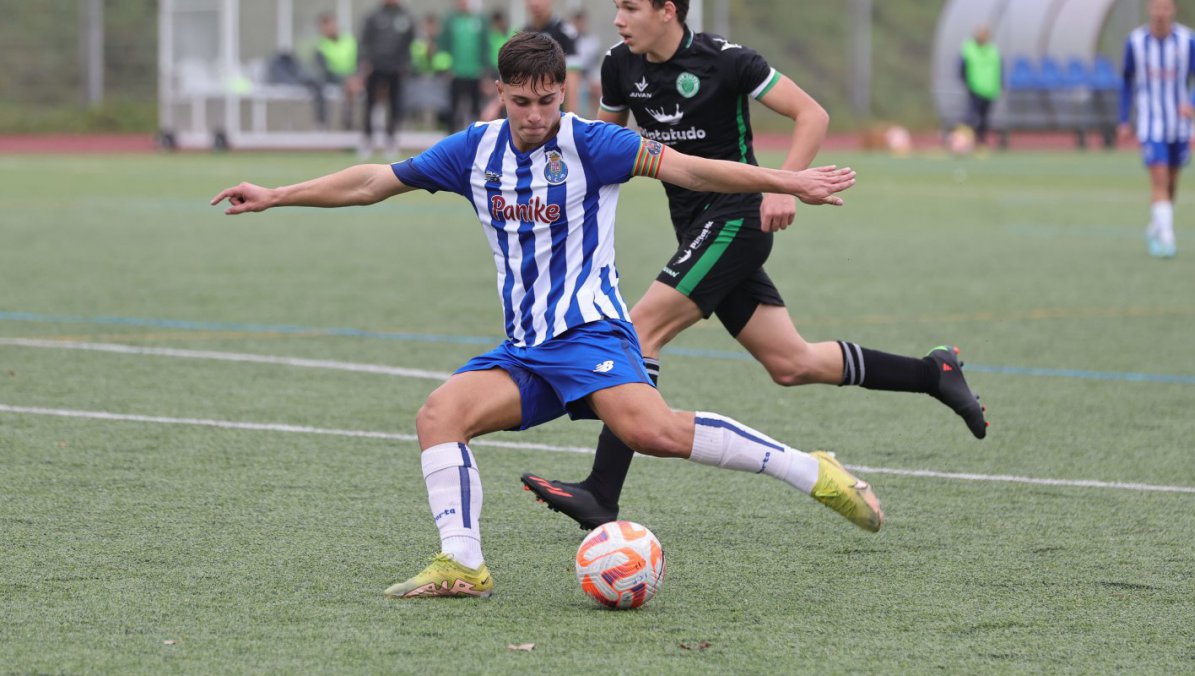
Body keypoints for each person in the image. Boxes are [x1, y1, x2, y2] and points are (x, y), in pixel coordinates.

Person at [211, 32, 875, 600]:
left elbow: (694, 170)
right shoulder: (473, 151)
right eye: (522, 101)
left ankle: (811, 470)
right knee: (439, 416)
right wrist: (277, 194)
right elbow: (371, 181)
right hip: (525, 349)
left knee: (656, 433)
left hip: (589, 333)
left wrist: (788, 181)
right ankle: (463, 564)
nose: (535, 115)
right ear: (500, 92)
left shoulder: (595, 147)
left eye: (548, 101)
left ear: (566, 92)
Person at [521, 0, 987, 531]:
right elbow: (598, 147)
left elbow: (812, 113)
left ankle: (602, 492)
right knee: (792, 363)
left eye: (629, 7)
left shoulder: (726, 60)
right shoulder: (618, 66)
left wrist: (783, 185)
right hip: (696, 230)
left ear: (667, 10)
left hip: (738, 218)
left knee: (639, 330)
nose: (619, 19)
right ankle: (933, 373)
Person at [1118, 0, 1195, 259]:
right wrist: (1123, 119)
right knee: (1159, 177)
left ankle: (1157, 225)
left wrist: (1193, 102)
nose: (1161, 13)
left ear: (1173, 10)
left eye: (1166, 8)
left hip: (1180, 124)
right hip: (1151, 122)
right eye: (1156, 7)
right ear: (1149, 10)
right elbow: (1127, 82)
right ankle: (1167, 237)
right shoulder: (1135, 42)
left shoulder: (1188, 40)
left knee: (1172, 181)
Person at [358, 0, 416, 158]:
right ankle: (367, 140)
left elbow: (411, 42)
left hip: (396, 68)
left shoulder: (405, 16)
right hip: (375, 67)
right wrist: (365, 62)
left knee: (394, 105)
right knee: (370, 104)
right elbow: (364, 41)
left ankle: (391, 140)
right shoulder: (374, 16)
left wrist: (406, 63)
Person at [523, 0, 582, 113]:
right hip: (530, 112)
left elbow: (572, 79)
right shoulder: (524, 33)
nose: (534, 3)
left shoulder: (565, 32)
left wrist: (570, 117)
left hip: (555, 111)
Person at [440, 0, 490, 130]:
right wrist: (446, 67)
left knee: (475, 107)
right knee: (454, 106)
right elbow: (444, 45)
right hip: (456, 72)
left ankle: (476, 136)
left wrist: (485, 69)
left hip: (475, 72)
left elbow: (485, 46)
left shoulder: (480, 21)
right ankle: (451, 136)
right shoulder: (451, 21)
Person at [313, 13, 360, 131]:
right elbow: (322, 67)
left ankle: (348, 121)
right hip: (333, 76)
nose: (328, 29)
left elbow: (360, 59)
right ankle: (322, 123)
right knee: (318, 83)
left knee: (353, 84)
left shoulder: (349, 40)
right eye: (325, 27)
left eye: (330, 25)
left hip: (352, 75)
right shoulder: (321, 46)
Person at [959, 25, 1002, 147]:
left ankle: (981, 140)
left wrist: (999, 84)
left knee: (985, 118)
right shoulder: (969, 48)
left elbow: (999, 68)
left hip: (990, 88)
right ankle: (965, 141)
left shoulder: (993, 50)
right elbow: (962, 68)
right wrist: (966, 82)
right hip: (975, 88)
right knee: (971, 116)